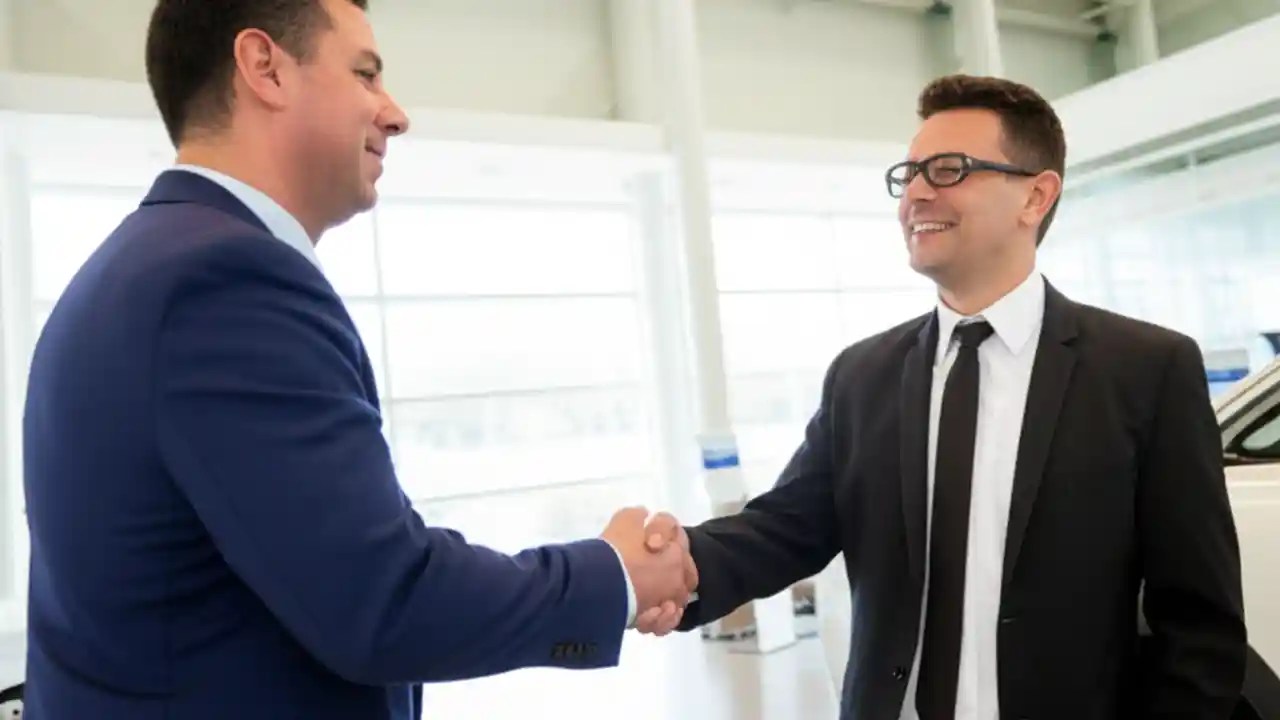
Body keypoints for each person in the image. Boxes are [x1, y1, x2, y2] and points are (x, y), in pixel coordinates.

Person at [21, 1, 693, 718]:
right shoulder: (223, 280)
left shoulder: (138, 268)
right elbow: (383, 599)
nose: (395, 114)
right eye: (365, 74)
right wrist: (612, 575)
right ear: (264, 68)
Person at [636, 74, 1247, 719]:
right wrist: (665, 569)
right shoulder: (862, 375)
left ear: (1035, 197)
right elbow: (785, 529)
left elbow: (1199, 623)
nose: (918, 193)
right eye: (910, 174)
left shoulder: (1145, 370)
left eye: (950, 169)